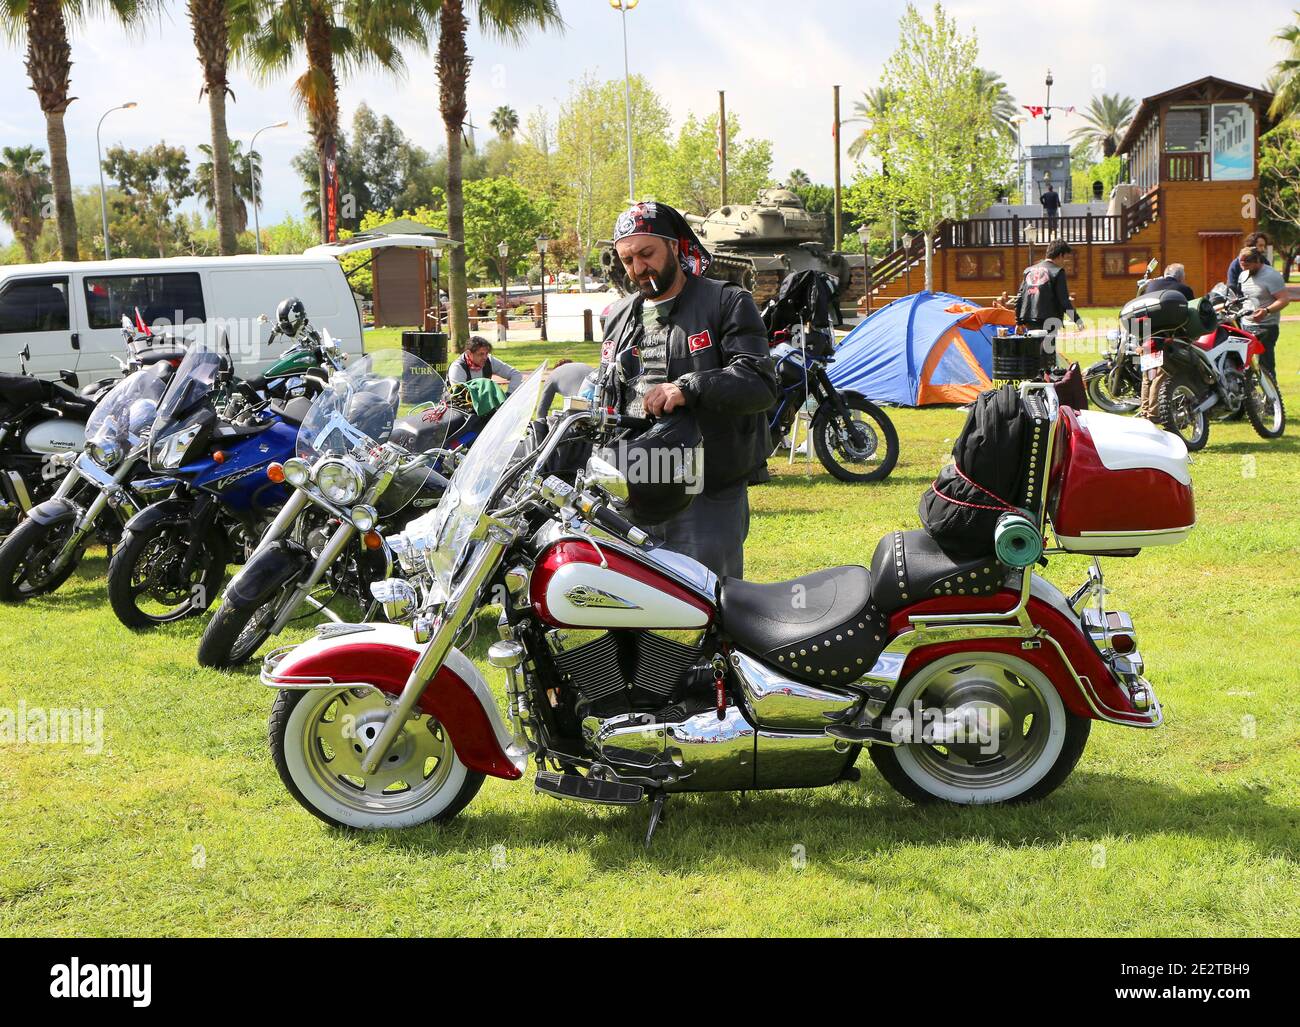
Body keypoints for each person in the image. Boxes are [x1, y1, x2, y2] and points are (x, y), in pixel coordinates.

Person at [599, 200, 778, 579]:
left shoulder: (726, 300)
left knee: (710, 599)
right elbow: (611, 392)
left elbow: (759, 382)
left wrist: (688, 387)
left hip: (706, 484)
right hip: (635, 480)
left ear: (677, 246)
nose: (638, 269)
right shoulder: (618, 315)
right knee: (639, 605)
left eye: (647, 254)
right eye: (628, 260)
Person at [1237, 246, 1290, 377]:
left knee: (1265, 366)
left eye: (1247, 266)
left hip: (1266, 327)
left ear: (1257, 261)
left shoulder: (1271, 275)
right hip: (1246, 325)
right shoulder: (1243, 274)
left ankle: (1272, 396)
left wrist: (1266, 311)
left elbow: (1284, 300)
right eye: (1242, 265)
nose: (1244, 269)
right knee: (1245, 365)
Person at [448, 336, 523, 391]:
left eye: (486, 353)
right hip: (461, 408)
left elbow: (516, 374)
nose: (484, 357)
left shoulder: (489, 360)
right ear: (469, 353)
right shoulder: (457, 368)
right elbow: (459, 395)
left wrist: (509, 395)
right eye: (480, 354)